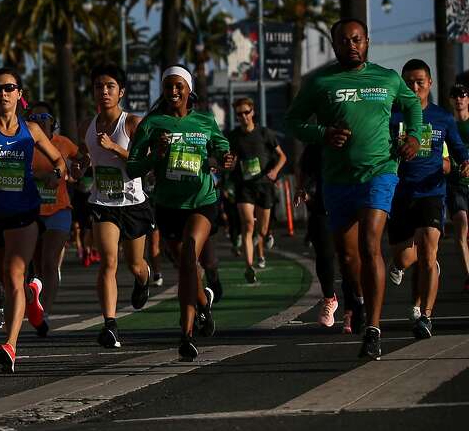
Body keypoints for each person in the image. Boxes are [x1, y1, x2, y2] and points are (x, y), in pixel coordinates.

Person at [284, 18, 422, 360]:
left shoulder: (387, 79)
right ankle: (356, 300)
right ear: (334, 46)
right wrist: (323, 133)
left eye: (357, 39)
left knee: (371, 244)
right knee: (347, 256)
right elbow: (292, 121)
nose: (352, 45)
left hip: (380, 172)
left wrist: (416, 137)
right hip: (338, 180)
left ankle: (374, 329)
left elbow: (414, 105)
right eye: (344, 41)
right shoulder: (320, 82)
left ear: (367, 41)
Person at [0, 68, 69, 372]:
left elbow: (58, 161)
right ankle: (31, 298)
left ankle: (10, 345)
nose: (2, 94)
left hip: (23, 212)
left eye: (8, 88)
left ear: (20, 94)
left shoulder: (31, 130)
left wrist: (56, 175)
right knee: (7, 280)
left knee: (14, 272)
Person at [127, 66, 233, 362]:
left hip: (201, 200)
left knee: (189, 256)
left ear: (189, 90)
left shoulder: (204, 120)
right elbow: (133, 168)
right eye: (168, 87)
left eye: (178, 86)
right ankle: (204, 305)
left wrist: (225, 158)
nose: (173, 92)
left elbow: (222, 148)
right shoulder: (152, 124)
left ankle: (185, 333)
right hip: (168, 207)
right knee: (185, 268)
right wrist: (156, 155)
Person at [386, 60, 469, 338]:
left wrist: (465, 161)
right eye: (408, 82)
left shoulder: (442, 117)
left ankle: (426, 317)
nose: (414, 87)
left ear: (430, 83)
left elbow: (458, 149)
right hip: (399, 193)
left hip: (431, 192)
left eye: (420, 81)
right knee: (405, 255)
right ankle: (398, 263)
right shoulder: (393, 117)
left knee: (428, 252)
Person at [75, 64, 153, 349]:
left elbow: (143, 163)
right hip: (103, 202)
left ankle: (144, 280)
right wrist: (80, 163)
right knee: (108, 262)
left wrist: (115, 148)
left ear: (121, 91)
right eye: (99, 86)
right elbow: (85, 155)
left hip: (133, 203)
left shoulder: (132, 123)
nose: (104, 91)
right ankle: (110, 324)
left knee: (135, 264)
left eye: (110, 86)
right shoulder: (86, 125)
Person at [27, 100, 78, 333]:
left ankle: (43, 313)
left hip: (59, 210)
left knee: (49, 261)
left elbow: (83, 158)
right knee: (37, 267)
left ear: (52, 122)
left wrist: (78, 171)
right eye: (34, 119)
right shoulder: (24, 144)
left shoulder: (62, 144)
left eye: (43, 119)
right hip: (31, 211)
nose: (39, 123)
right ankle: (38, 306)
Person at [226, 97, 287, 283]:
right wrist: (228, 166)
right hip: (244, 187)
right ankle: (249, 266)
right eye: (239, 114)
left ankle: (267, 233)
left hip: (264, 185)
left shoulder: (264, 133)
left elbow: (282, 156)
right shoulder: (234, 136)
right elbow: (230, 160)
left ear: (252, 112)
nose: (243, 116)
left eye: (246, 112)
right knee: (247, 226)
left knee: (260, 229)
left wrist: (274, 172)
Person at [295, 143, 343, 329]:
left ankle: (353, 310)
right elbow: (302, 166)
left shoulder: (356, 134)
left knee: (350, 257)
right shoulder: (317, 143)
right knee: (324, 254)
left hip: (349, 200)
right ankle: (329, 299)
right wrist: (301, 190)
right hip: (321, 203)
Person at [448, 83, 469, 291]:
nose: (459, 99)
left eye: (462, 95)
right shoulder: (447, 124)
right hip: (455, 185)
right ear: (450, 100)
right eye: (455, 96)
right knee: (461, 226)